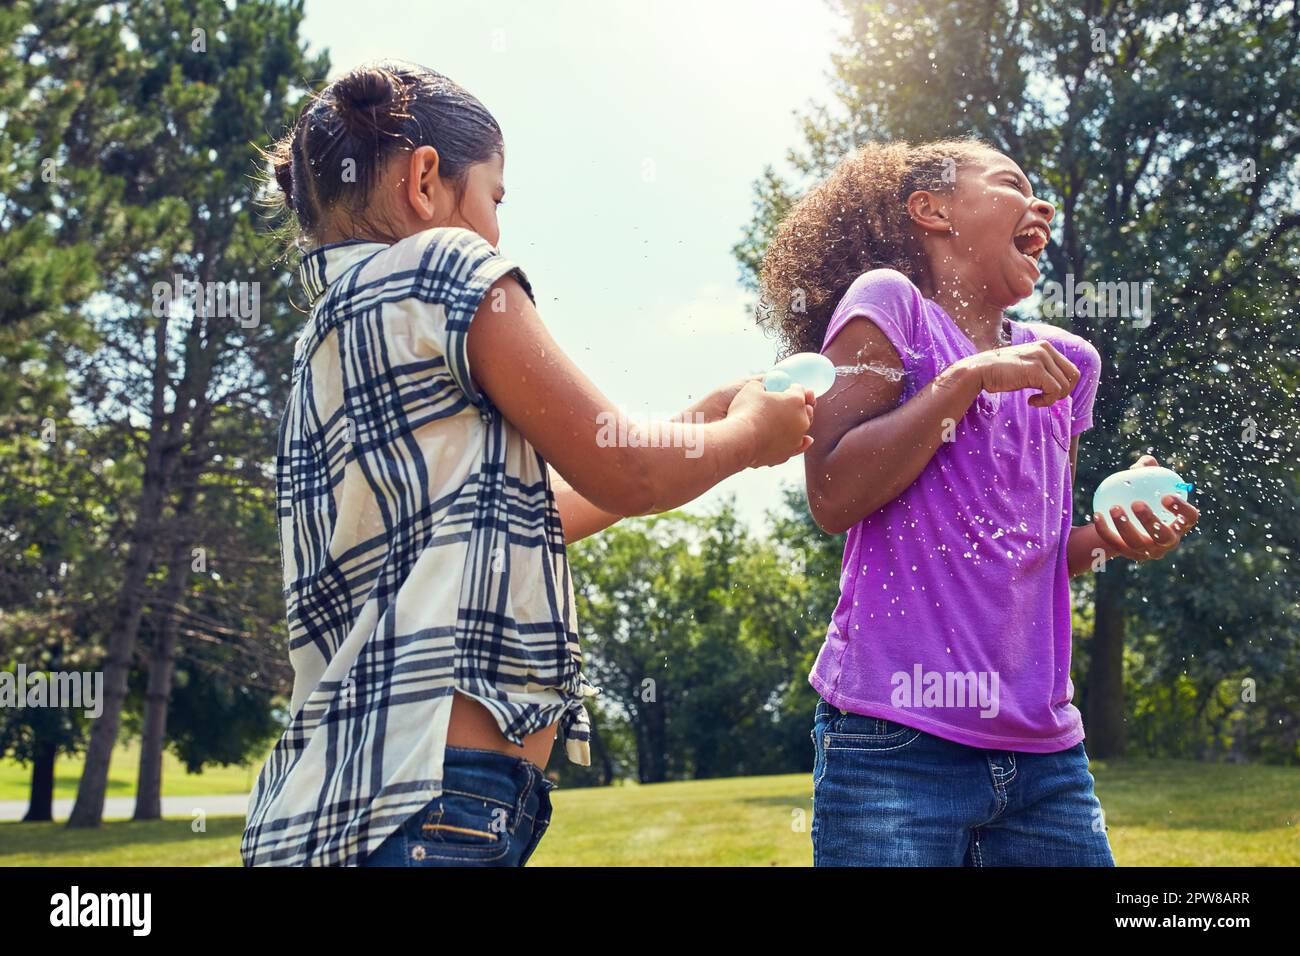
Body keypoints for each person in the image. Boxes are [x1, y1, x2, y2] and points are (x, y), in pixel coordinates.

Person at [240, 60, 815, 867]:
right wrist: (752, 437)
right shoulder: (445, 265)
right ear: (426, 180)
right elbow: (634, 473)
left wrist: (698, 426)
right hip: (433, 802)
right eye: (496, 198)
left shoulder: (324, 343)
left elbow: (527, 507)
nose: (498, 230)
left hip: (333, 806)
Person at [758, 138, 1200, 866]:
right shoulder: (890, 302)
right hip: (893, 742)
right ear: (931, 210)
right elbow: (833, 493)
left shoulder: (1067, 363)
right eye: (1010, 183)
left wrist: (1111, 537)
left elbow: (1039, 550)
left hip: (1044, 755)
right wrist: (965, 380)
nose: (1043, 205)